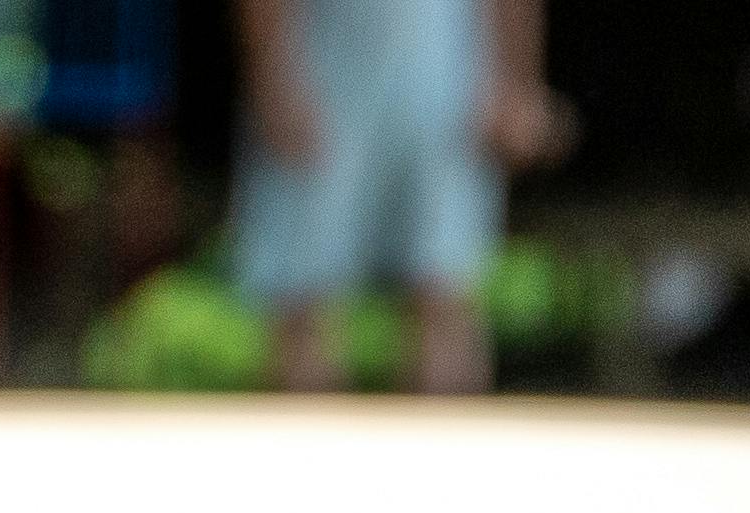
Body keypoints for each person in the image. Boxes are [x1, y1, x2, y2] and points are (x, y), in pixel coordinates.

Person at [230, 0, 571, 396]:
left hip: (447, 62)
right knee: (302, 307)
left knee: (446, 295)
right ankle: (310, 456)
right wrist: (273, 77)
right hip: (320, 58)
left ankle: (444, 456)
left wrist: (517, 81)